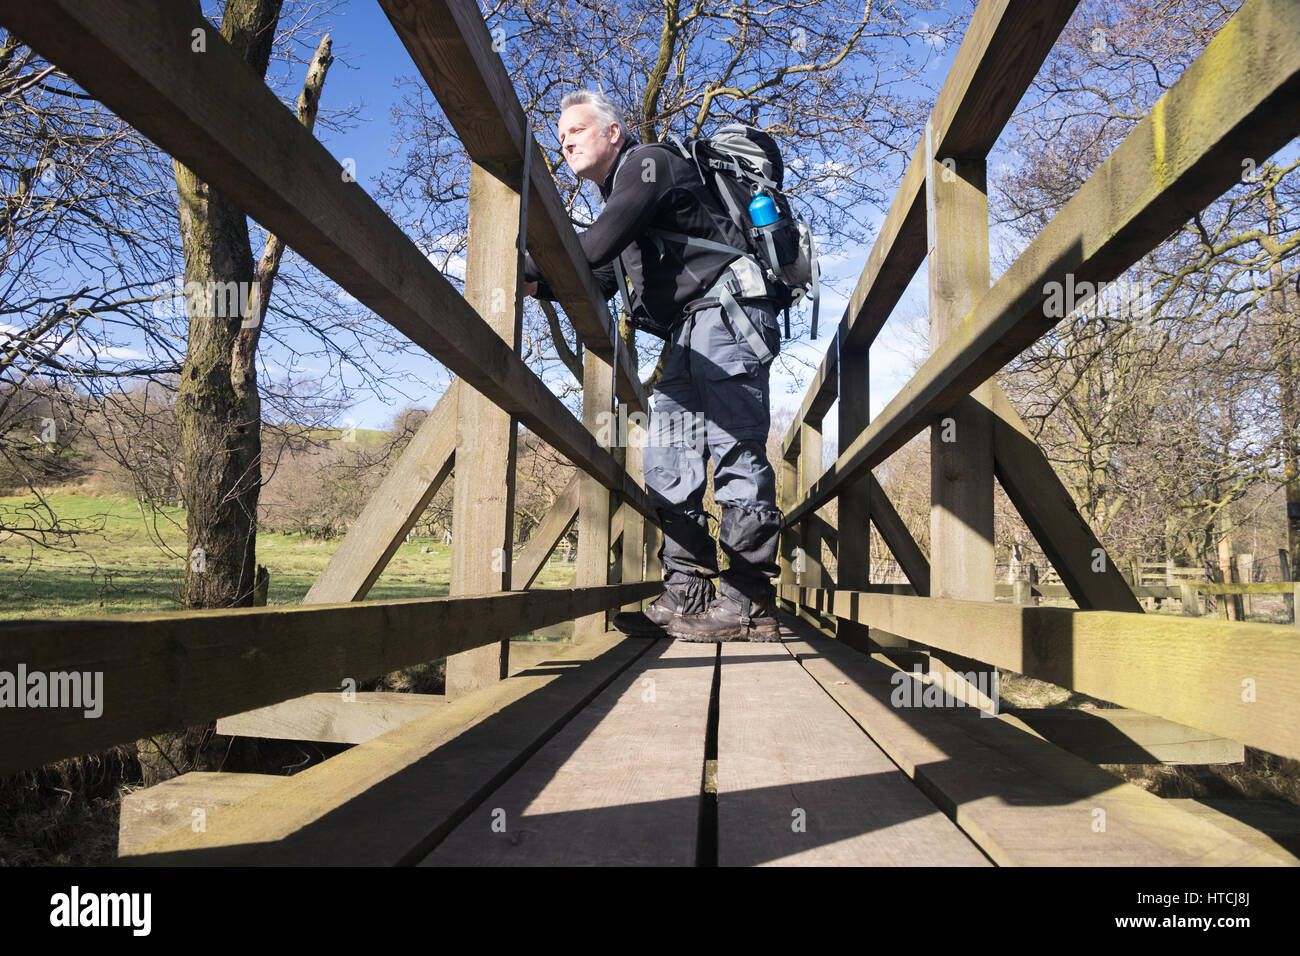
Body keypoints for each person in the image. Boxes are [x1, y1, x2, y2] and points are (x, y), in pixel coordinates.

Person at [524, 89, 783, 642]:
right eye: (560, 134)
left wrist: (524, 251)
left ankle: (751, 600)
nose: (564, 139)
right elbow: (594, 277)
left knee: (735, 447)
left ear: (612, 132)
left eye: (576, 129)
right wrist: (535, 283)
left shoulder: (649, 165)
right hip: (688, 332)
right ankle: (687, 591)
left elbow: (591, 249)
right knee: (667, 457)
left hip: (730, 312)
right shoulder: (621, 203)